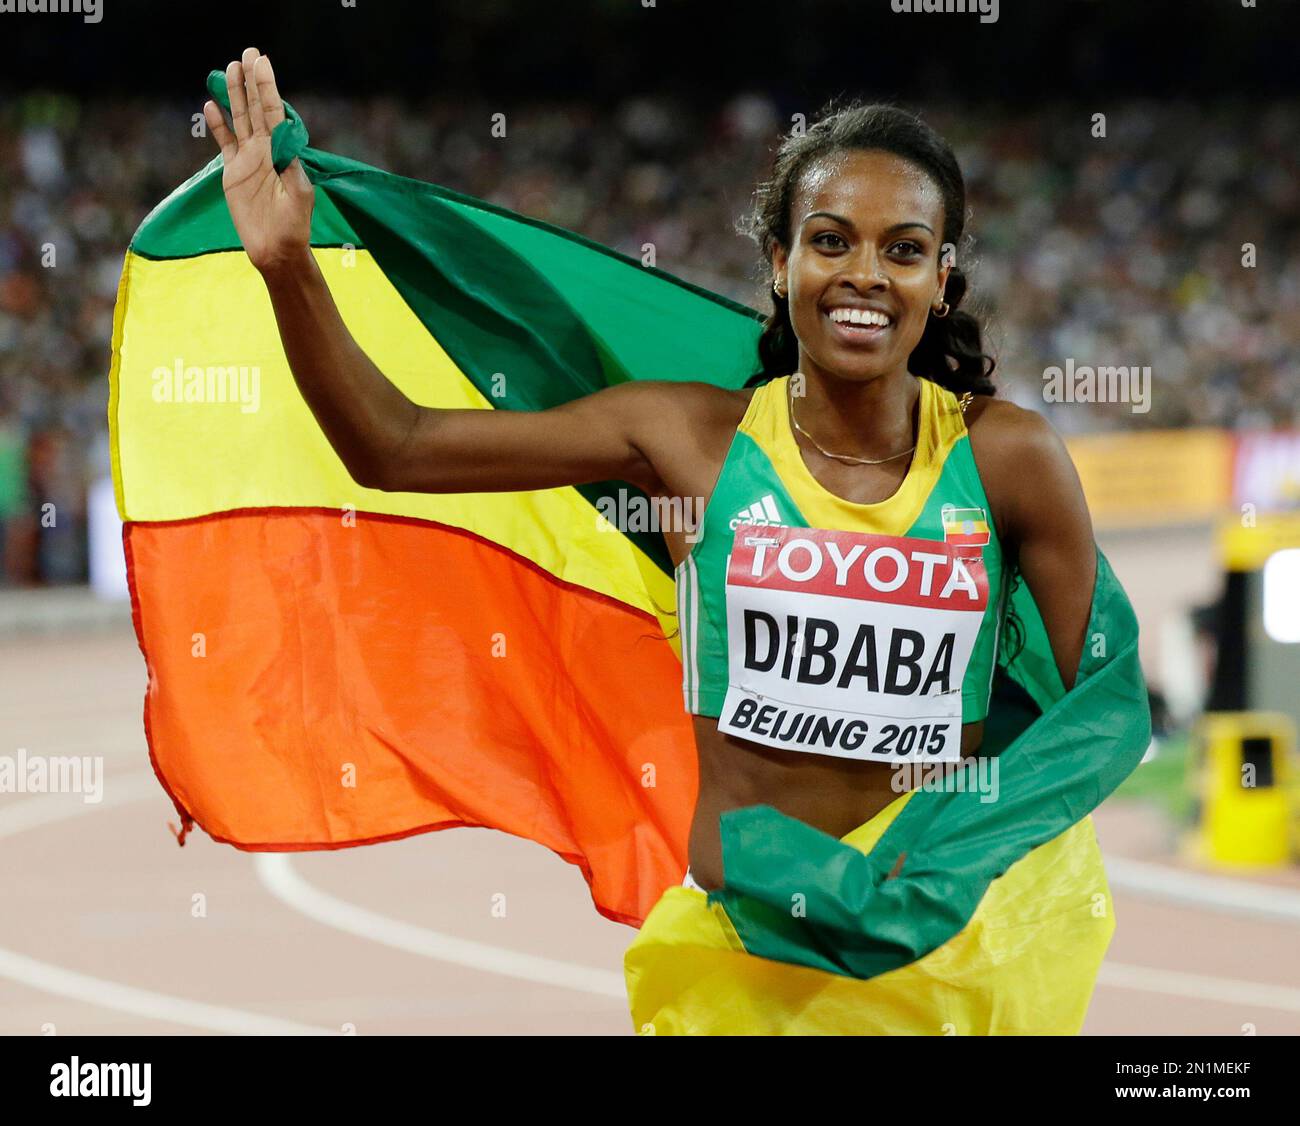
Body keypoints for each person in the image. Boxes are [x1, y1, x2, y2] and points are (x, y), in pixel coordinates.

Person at [204, 48, 1112, 1034]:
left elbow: (1102, 699)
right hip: (749, 969)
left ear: (940, 278)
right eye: (829, 240)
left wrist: (956, 859)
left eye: (901, 250)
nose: (863, 274)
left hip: (946, 960)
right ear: (778, 261)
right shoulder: (685, 439)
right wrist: (289, 267)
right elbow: (397, 445)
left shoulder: (1007, 456)